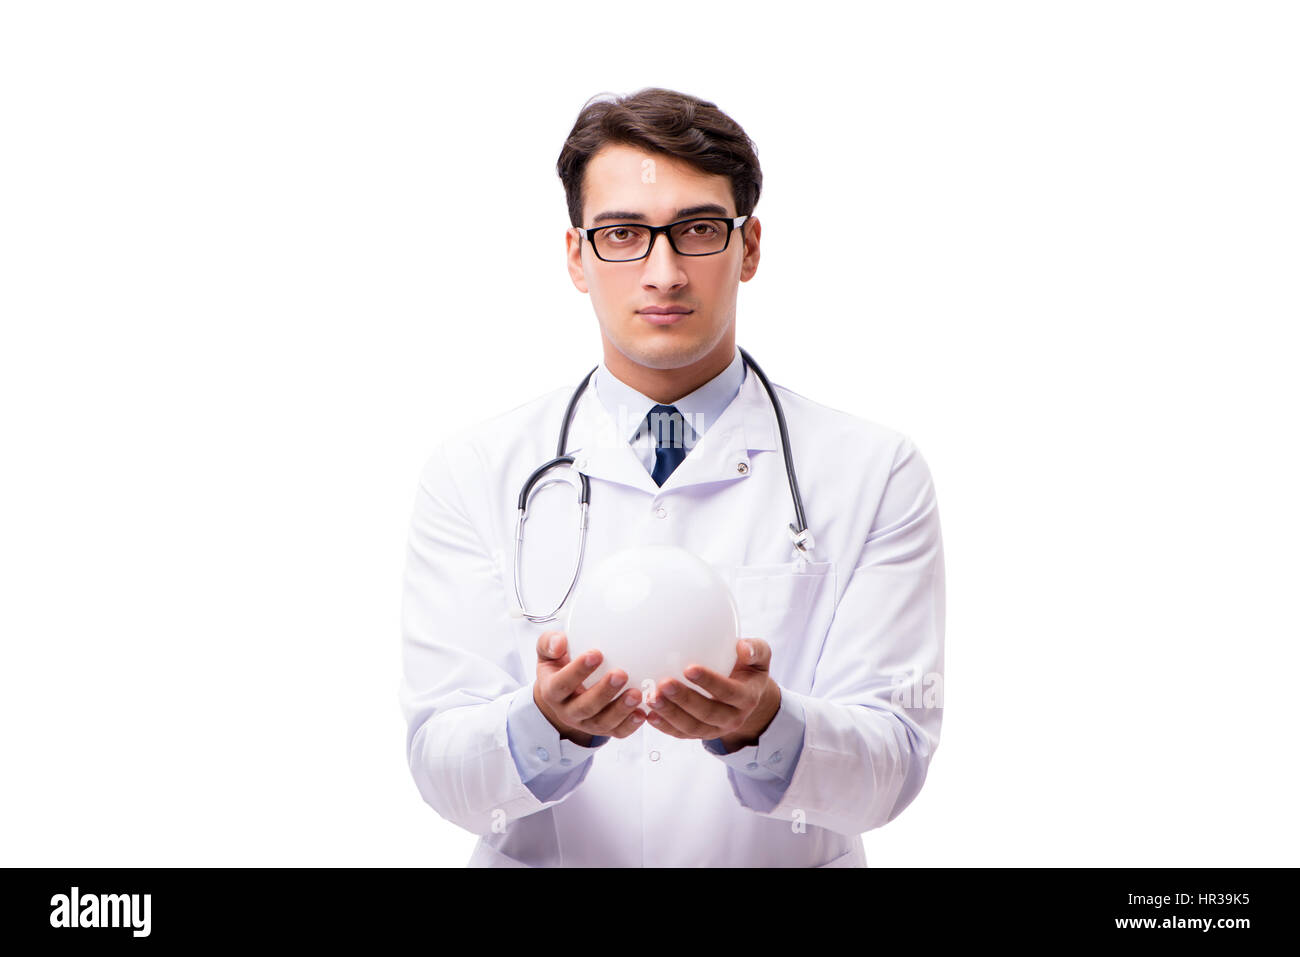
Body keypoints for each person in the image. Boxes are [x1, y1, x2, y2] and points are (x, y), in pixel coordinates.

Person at [399, 87, 946, 867]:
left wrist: (764, 725)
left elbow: (892, 766)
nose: (663, 273)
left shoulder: (874, 470)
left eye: (696, 230)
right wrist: (548, 725)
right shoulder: (474, 472)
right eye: (623, 233)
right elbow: (442, 768)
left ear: (749, 247)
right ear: (576, 256)